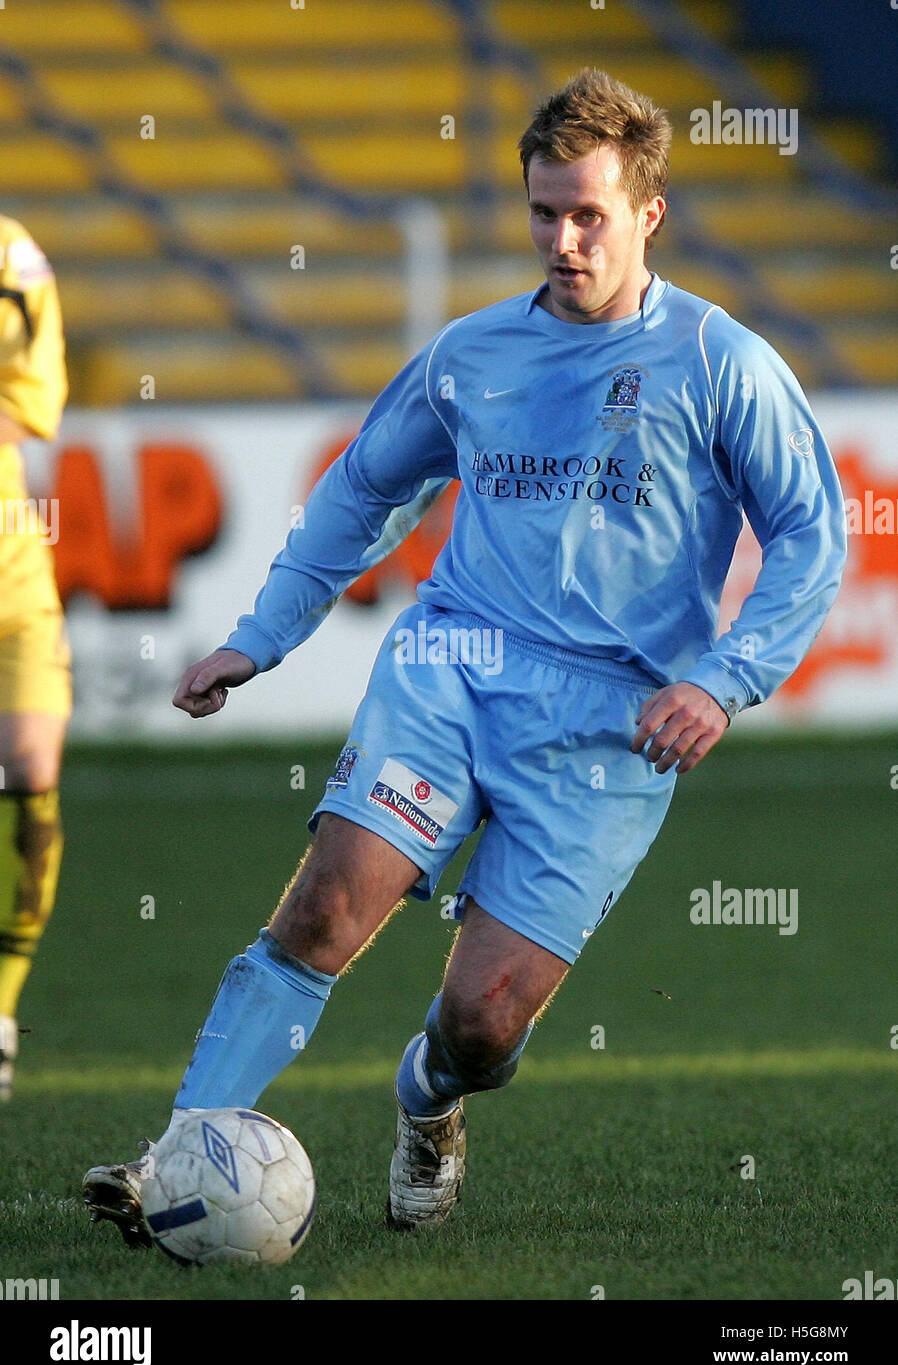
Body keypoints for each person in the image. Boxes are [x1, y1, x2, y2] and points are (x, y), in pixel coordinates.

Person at [83, 68, 846, 1242]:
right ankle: (175, 1157)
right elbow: (361, 491)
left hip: (613, 724)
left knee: (483, 1022)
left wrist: (722, 678)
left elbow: (811, 535)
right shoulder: (472, 352)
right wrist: (259, 638)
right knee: (326, 910)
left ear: (647, 213)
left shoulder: (718, 361)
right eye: (543, 213)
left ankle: (428, 1104)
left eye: (587, 214)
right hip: (453, 662)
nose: (562, 240)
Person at [0, 216, 69, 1101]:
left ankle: (3, 1007)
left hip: (13, 580)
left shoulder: (14, 259)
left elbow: (31, 404)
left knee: (30, 764)